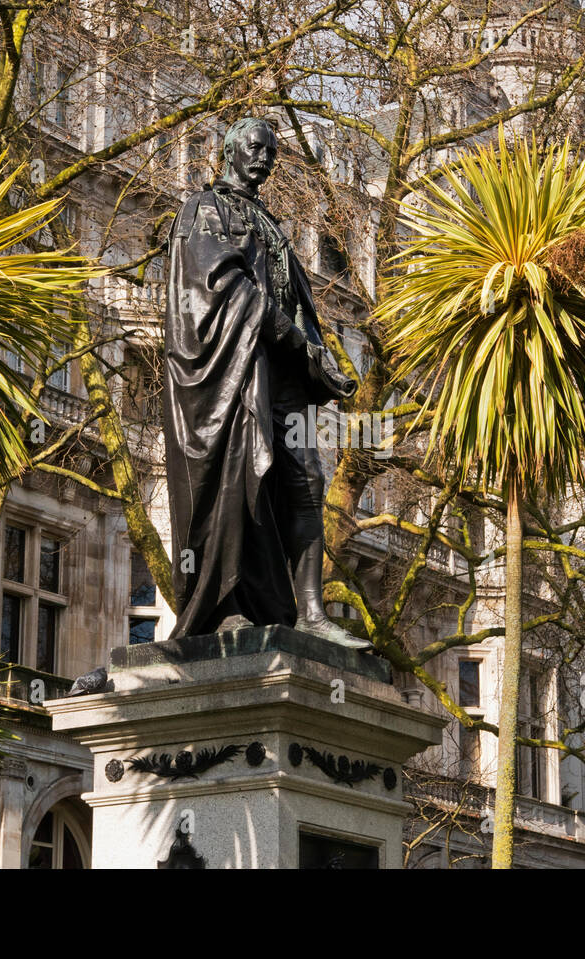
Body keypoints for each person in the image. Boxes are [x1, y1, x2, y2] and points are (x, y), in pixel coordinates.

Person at [162, 116, 372, 650]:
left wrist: (319, 356)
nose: (265, 159)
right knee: (236, 479)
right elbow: (219, 285)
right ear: (229, 149)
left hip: (282, 376)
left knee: (307, 481)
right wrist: (292, 338)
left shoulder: (271, 222)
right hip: (232, 368)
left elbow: (296, 303)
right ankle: (226, 605)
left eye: (272, 152)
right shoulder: (204, 210)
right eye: (256, 148)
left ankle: (311, 612)